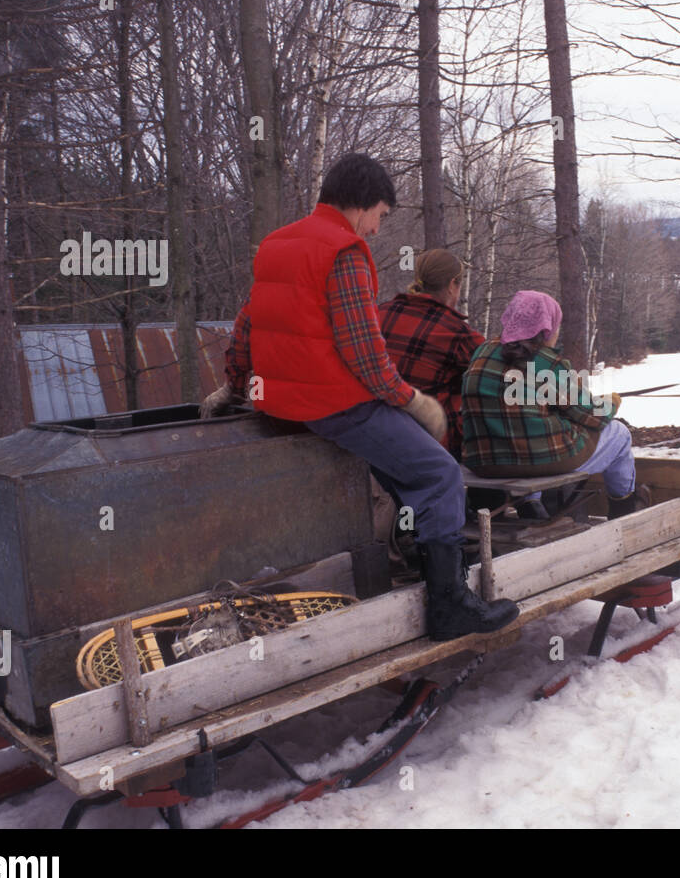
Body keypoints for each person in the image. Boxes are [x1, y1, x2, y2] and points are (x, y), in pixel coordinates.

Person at [199, 153, 516, 641]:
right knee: (440, 471)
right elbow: (364, 352)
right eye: (380, 217)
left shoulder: (277, 244)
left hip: (281, 402)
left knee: (406, 467)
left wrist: (235, 385)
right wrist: (411, 399)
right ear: (363, 204)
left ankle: (421, 555)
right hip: (333, 405)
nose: (375, 230)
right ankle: (449, 606)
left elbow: (249, 323)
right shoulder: (344, 251)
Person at [460, 290, 646, 518]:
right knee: (618, 433)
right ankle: (624, 509)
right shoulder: (548, 362)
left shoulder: (482, 353)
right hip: (536, 461)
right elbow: (593, 416)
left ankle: (530, 504)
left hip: (483, 462)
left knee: (529, 430)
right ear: (546, 329)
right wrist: (612, 401)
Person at [377, 249, 484, 460]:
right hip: (430, 440)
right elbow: (495, 370)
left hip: (377, 429)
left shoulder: (380, 313)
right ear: (454, 284)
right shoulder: (457, 334)